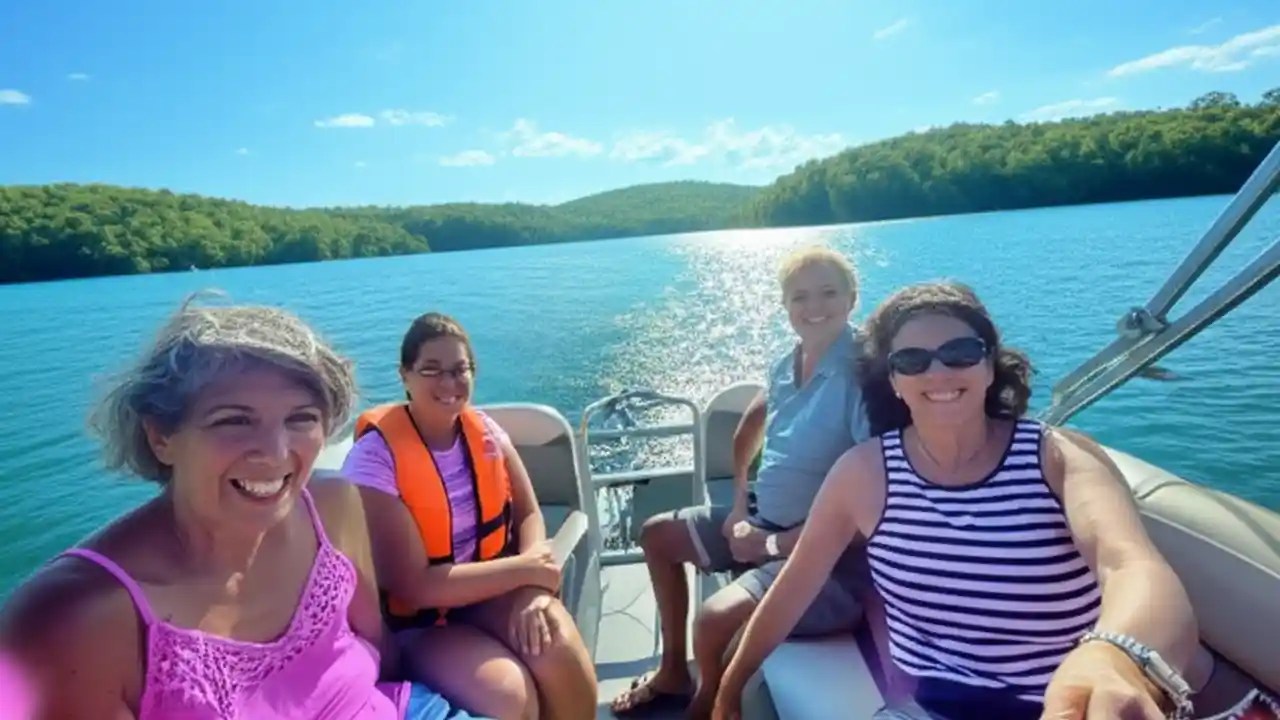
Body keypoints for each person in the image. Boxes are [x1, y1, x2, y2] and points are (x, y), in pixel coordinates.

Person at [712, 280, 1202, 720]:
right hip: (930, 706)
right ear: (894, 382)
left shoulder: (1056, 458)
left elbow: (1133, 567)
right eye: (912, 361)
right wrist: (728, 689)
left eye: (960, 352)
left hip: (1065, 701)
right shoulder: (864, 473)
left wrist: (1114, 656)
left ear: (989, 364)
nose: (938, 372)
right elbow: (794, 587)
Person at [0, 296, 475, 720]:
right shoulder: (72, 621)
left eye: (301, 419)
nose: (274, 451)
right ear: (160, 436)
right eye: (233, 420)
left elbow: (380, 656)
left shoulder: (333, 508)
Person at [610, 246, 875, 718]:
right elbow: (751, 423)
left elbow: (865, 512)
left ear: (852, 298)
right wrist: (737, 505)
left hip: (828, 565)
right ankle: (673, 671)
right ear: (785, 306)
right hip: (762, 523)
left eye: (828, 293)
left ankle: (710, 705)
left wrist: (770, 545)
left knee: (713, 621)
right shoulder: (788, 363)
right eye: (800, 297)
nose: (814, 307)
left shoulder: (862, 377)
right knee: (657, 535)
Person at [342, 311, 597, 720]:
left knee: (556, 646)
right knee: (509, 695)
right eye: (431, 370)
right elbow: (417, 586)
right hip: (422, 622)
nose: (448, 383)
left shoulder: (487, 432)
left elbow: (529, 514)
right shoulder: (375, 460)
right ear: (405, 375)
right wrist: (528, 570)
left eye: (460, 370)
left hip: (491, 592)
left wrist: (533, 588)